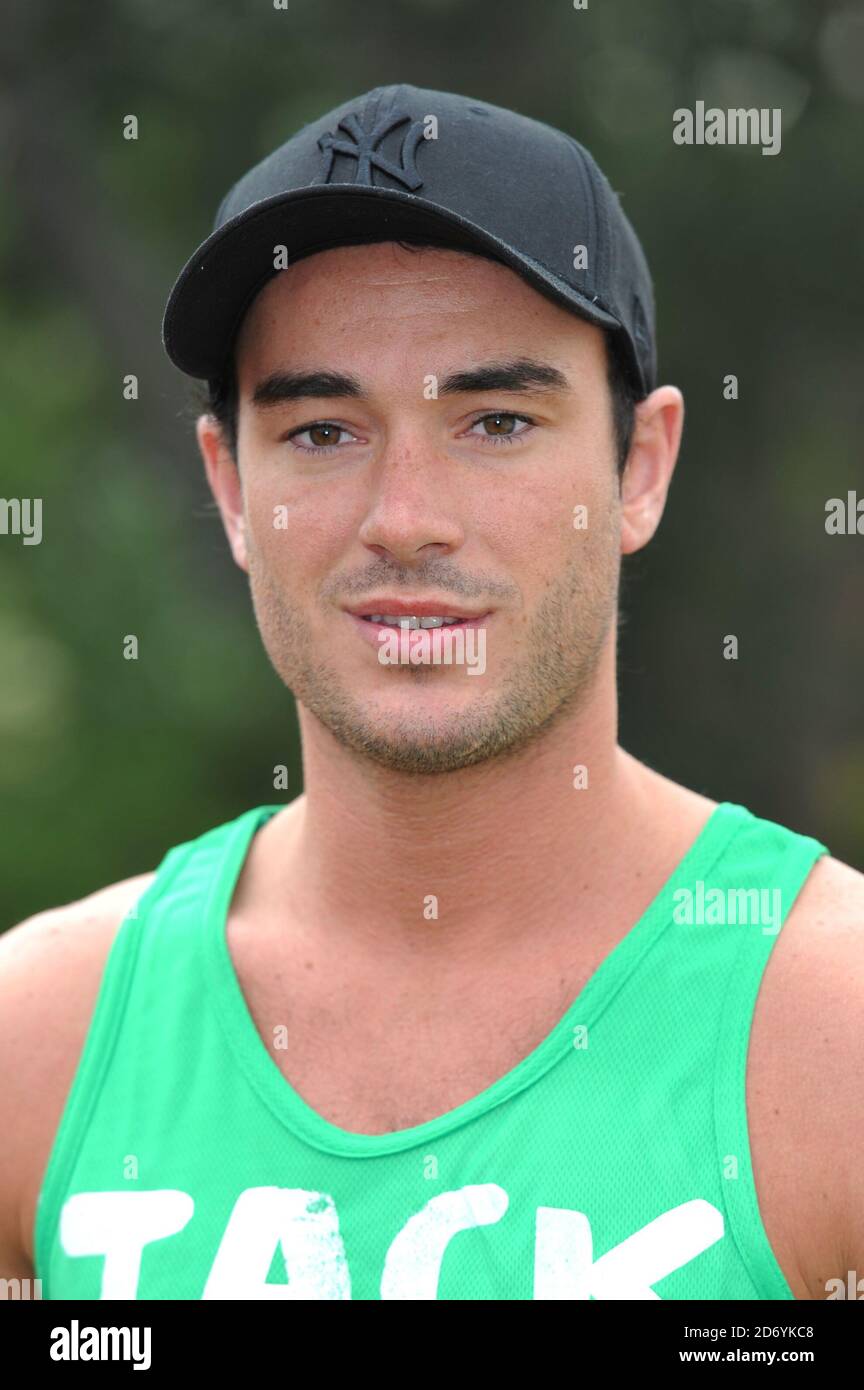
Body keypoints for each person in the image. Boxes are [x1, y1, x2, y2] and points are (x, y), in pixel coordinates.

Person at [1, 84, 861, 1301]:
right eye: (321, 432)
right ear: (233, 489)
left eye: (497, 420)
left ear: (641, 468)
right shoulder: (38, 1045)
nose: (406, 518)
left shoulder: (835, 1036)